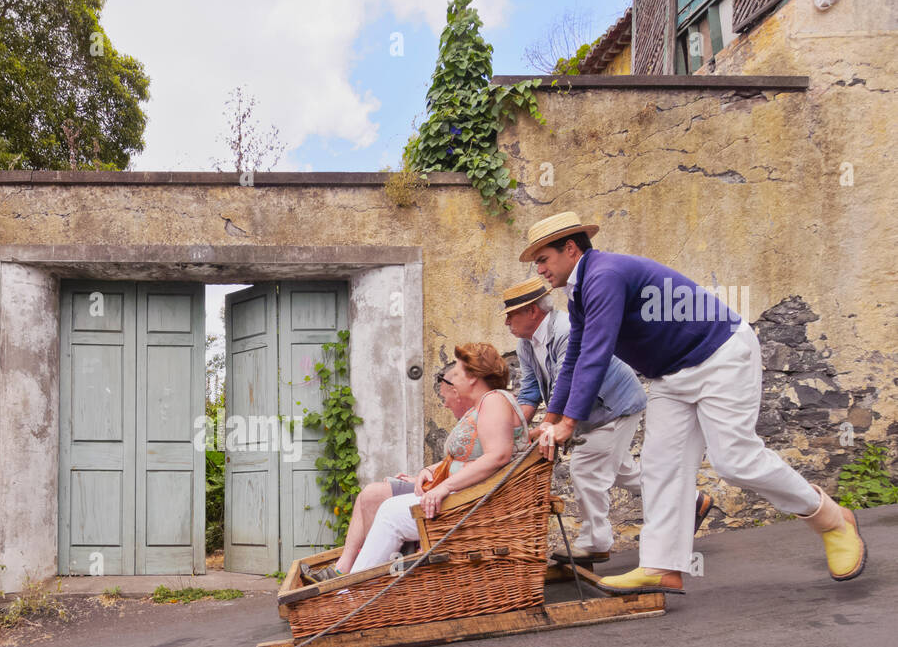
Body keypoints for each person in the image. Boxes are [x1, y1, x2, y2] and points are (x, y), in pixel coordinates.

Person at [521, 211, 865, 594]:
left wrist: (568, 423)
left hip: (719, 356)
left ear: (570, 249)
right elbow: (575, 356)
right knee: (660, 466)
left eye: (543, 259)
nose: (539, 270)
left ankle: (833, 521)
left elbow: (596, 355)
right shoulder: (581, 290)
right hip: (670, 375)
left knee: (735, 460)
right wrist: (551, 417)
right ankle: (661, 566)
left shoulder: (604, 274)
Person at [502, 277, 714, 563]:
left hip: (614, 405)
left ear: (532, 311)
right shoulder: (526, 345)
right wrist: (516, 428)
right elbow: (529, 391)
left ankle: (595, 543)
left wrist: (550, 424)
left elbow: (572, 383)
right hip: (591, 411)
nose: (506, 322)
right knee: (624, 473)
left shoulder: (565, 330)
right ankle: (693, 501)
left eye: (510, 314)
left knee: (586, 469)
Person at [301, 343, 527, 583]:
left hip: (475, 505)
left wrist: (444, 487)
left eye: (458, 374)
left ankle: (351, 591)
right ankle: (355, 581)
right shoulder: (488, 403)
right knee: (384, 504)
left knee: (391, 512)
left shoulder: (493, 400)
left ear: (473, 377)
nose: (453, 380)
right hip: (467, 498)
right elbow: (470, 456)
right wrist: (431, 471)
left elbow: (498, 455)